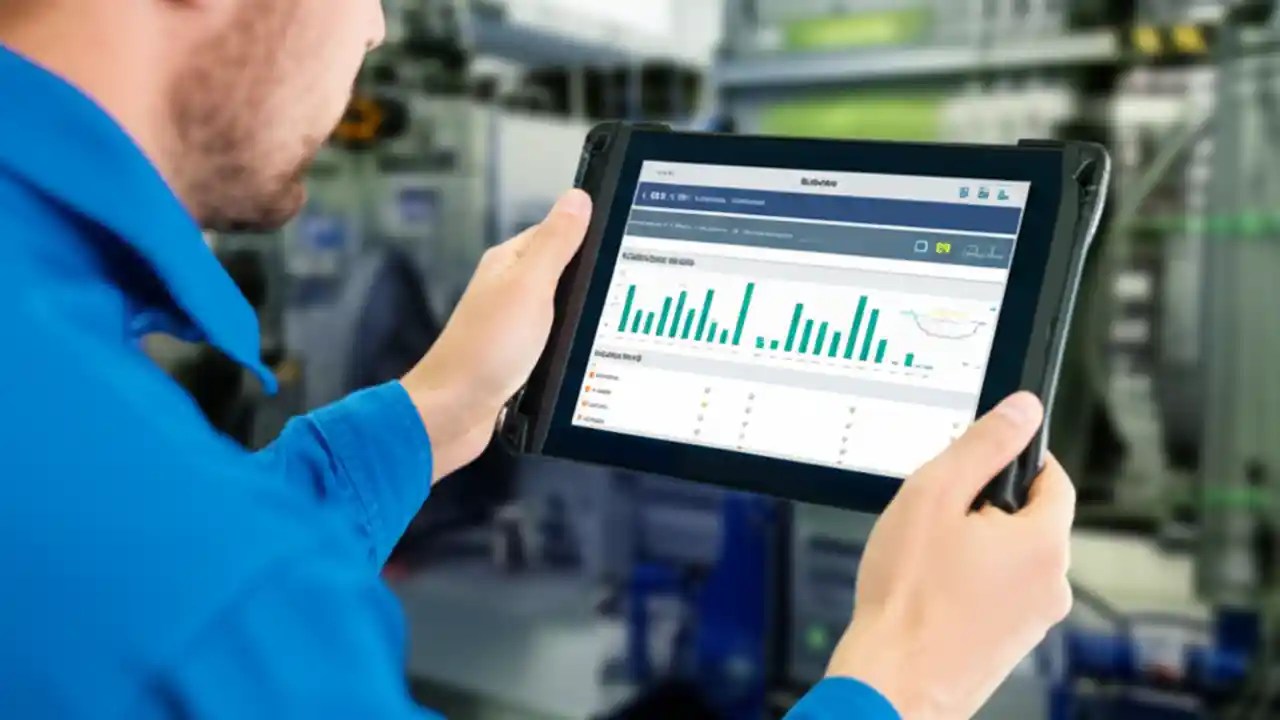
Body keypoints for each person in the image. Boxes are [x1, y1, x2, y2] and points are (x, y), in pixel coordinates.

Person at [0, 2, 1075, 719]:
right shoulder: (214, 600)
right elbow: (186, 590)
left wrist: (430, 412)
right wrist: (901, 674)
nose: (374, 25)